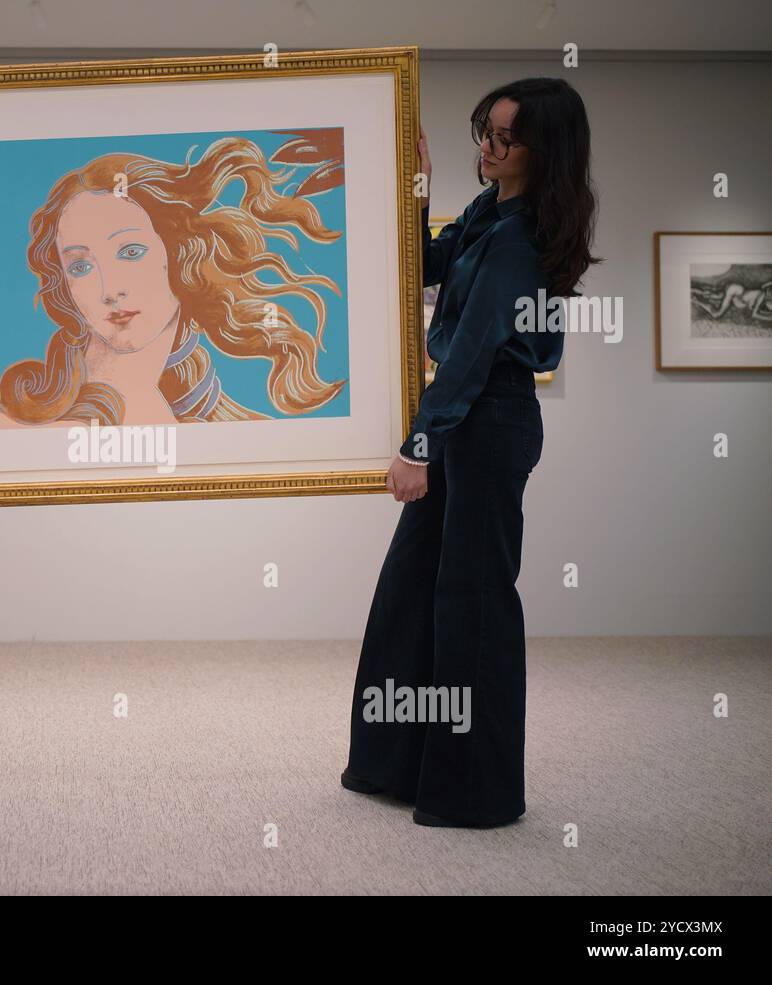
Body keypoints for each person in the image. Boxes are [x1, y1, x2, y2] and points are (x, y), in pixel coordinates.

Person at [342, 78, 600, 827]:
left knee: (474, 604)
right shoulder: (491, 213)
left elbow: (474, 354)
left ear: (541, 152)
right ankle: (397, 767)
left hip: (489, 420)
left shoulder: (523, 241)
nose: (486, 149)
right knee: (410, 592)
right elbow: (422, 266)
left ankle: (473, 793)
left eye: (502, 139)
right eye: (482, 132)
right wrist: (414, 187)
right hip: (467, 418)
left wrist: (418, 445)